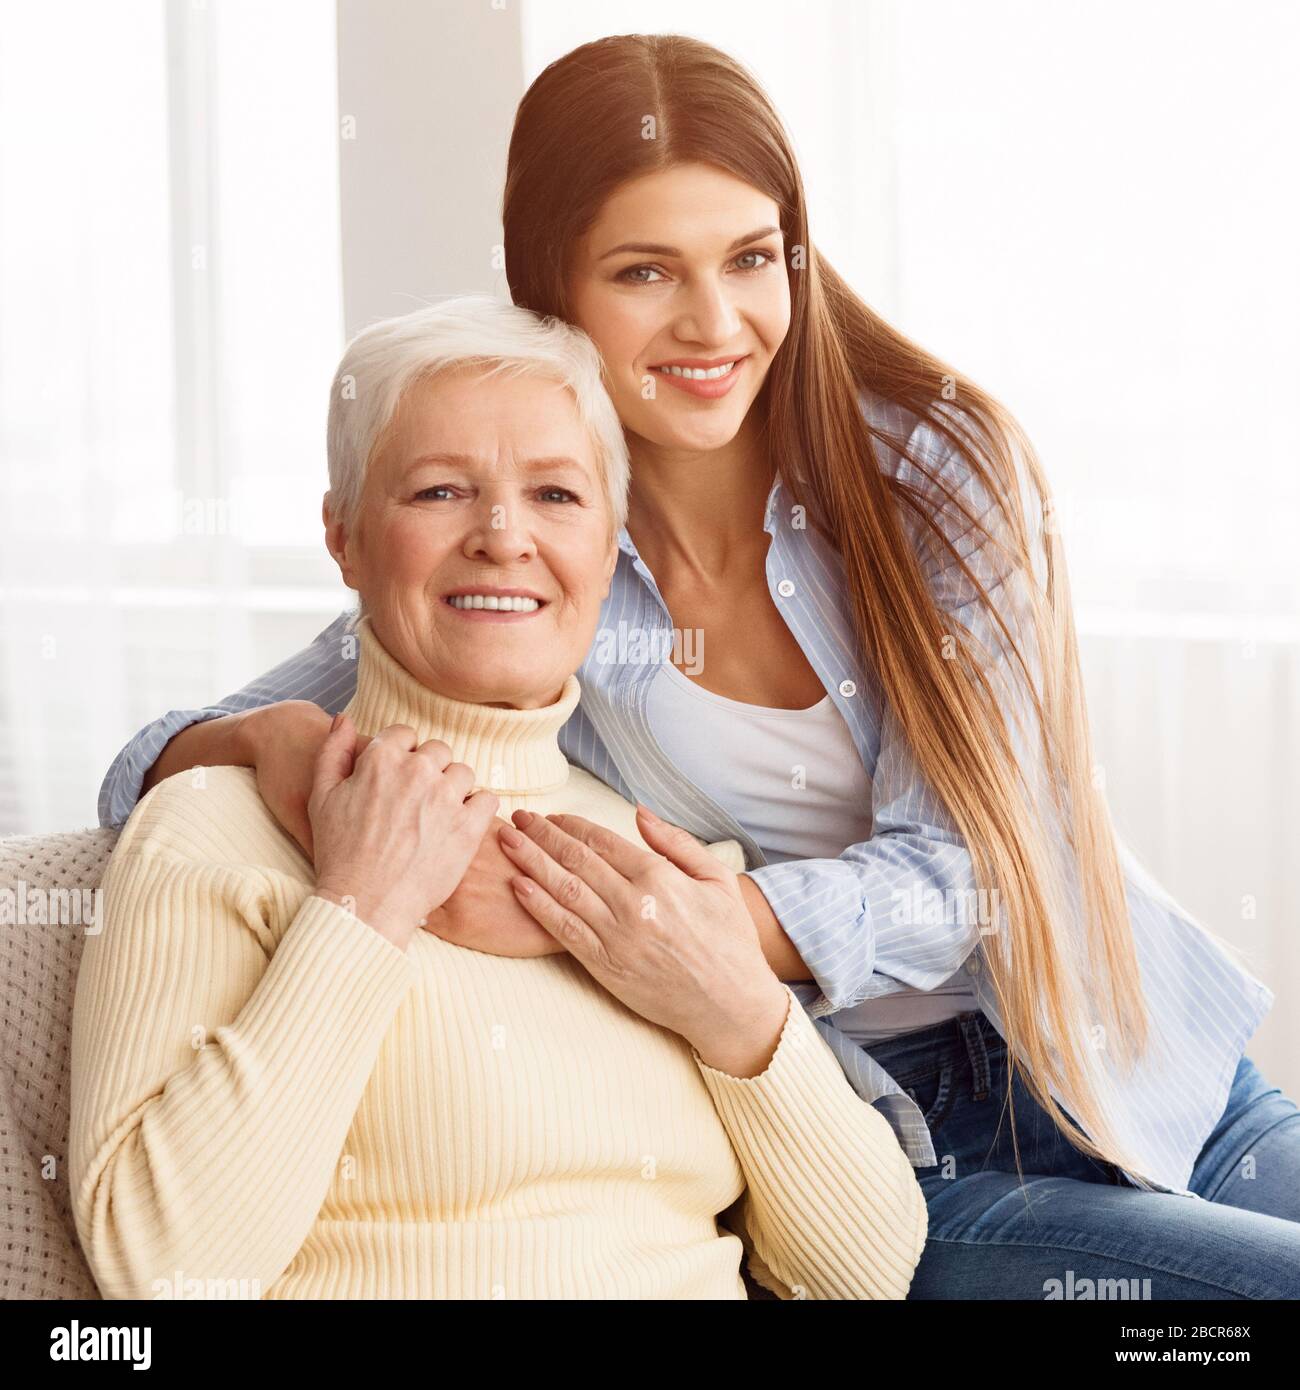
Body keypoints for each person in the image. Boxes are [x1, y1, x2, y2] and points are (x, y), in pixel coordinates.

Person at [97, 35, 1300, 1297]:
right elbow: (150, 767)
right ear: (547, 286)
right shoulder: (546, 557)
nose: (713, 322)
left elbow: (978, 863)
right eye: (644, 272)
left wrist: (694, 925)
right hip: (914, 1143)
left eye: (748, 258)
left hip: (1132, 1063)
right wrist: (266, 745)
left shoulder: (935, 468)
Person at [69, 296, 929, 1301]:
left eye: (557, 496)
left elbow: (863, 1276)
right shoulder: (213, 830)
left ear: (610, 548)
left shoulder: (659, 859)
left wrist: (739, 1014)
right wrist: (362, 911)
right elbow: (163, 1272)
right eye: (439, 491)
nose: (502, 535)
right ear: (342, 536)